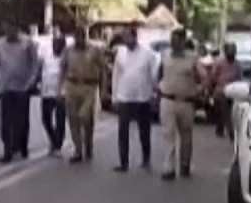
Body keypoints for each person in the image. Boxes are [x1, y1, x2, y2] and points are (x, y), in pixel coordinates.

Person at [111, 27, 159, 172]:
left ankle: (146, 158)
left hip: (143, 97)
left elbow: (153, 76)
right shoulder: (120, 53)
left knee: (144, 130)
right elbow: (116, 75)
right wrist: (114, 96)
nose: (126, 41)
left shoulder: (148, 54)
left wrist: (154, 95)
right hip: (124, 96)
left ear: (135, 37)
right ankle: (123, 162)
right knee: (123, 131)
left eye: (128, 37)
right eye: (124, 38)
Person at [157, 27, 202, 181]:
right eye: (172, 40)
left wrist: (199, 90)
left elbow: (203, 77)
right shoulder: (165, 55)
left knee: (186, 135)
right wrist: (159, 88)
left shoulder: (193, 58)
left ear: (183, 42)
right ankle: (168, 168)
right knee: (168, 134)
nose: (174, 44)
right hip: (167, 99)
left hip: (186, 101)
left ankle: (185, 164)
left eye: (177, 41)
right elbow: (159, 73)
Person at [59, 25, 108, 163]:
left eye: (82, 36)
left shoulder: (94, 50)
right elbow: (62, 69)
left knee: (85, 117)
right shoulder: (68, 50)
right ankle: (78, 150)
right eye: (77, 36)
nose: (79, 39)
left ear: (85, 36)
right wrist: (60, 88)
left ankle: (88, 143)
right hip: (72, 85)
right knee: (73, 119)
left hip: (89, 87)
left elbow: (104, 69)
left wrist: (103, 89)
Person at [0, 23, 39, 162]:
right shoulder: (0, 43)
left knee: (21, 121)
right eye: (6, 29)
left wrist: (31, 82)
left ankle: (22, 146)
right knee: (6, 121)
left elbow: (34, 64)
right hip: (6, 87)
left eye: (11, 29)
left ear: (17, 29)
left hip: (22, 87)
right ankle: (8, 149)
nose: (8, 32)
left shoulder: (27, 42)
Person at [38, 32, 68, 156]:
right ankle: (53, 139)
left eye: (59, 44)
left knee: (60, 121)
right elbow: (40, 71)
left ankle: (57, 146)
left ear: (63, 45)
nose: (56, 46)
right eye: (54, 43)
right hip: (46, 92)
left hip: (61, 94)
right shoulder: (46, 57)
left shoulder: (66, 58)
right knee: (46, 119)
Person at [207, 42, 242, 138]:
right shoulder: (219, 63)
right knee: (222, 111)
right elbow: (213, 77)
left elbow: (239, 79)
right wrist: (211, 89)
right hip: (221, 91)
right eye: (230, 51)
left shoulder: (237, 64)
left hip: (233, 91)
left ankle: (229, 130)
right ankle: (225, 129)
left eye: (233, 51)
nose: (232, 53)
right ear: (225, 52)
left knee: (229, 112)